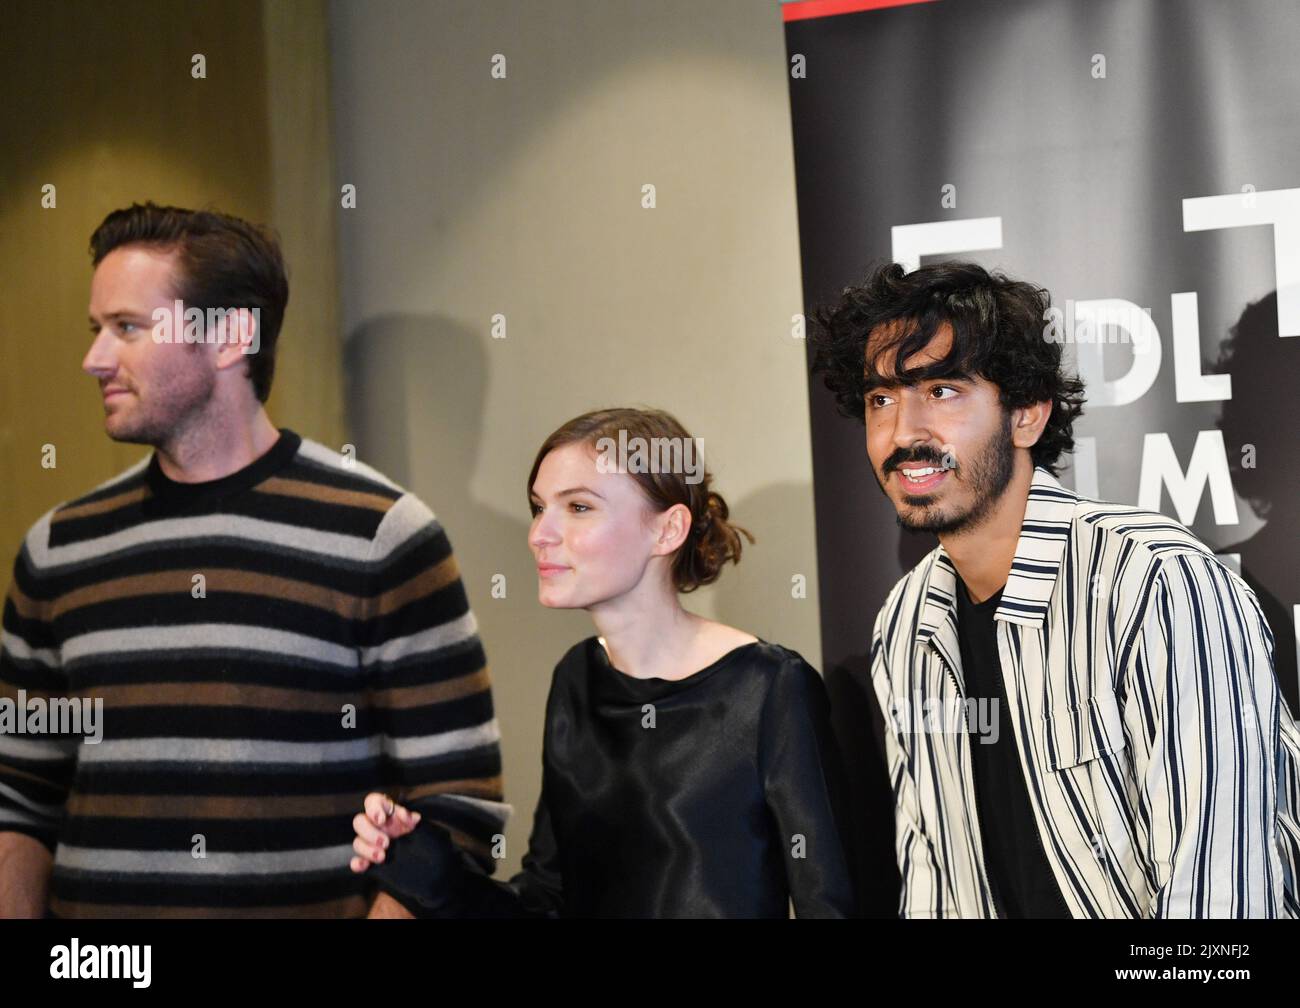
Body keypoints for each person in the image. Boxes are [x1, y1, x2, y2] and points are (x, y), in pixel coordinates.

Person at [0, 202, 506, 917]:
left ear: (231, 337)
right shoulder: (58, 549)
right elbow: (20, 794)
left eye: (128, 328)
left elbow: (457, 806)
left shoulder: (382, 534)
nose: (95, 359)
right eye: (96, 329)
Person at [809, 259, 1300, 918]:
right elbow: (937, 883)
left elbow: (1221, 897)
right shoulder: (906, 624)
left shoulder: (1155, 583)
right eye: (881, 399)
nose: (904, 433)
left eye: (942, 391)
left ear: (1027, 416)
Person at [350, 407, 856, 917]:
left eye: (578, 508)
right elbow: (546, 902)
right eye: (539, 507)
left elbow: (831, 905)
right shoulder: (577, 679)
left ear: (667, 530)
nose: (539, 534)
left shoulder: (770, 688)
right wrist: (429, 871)